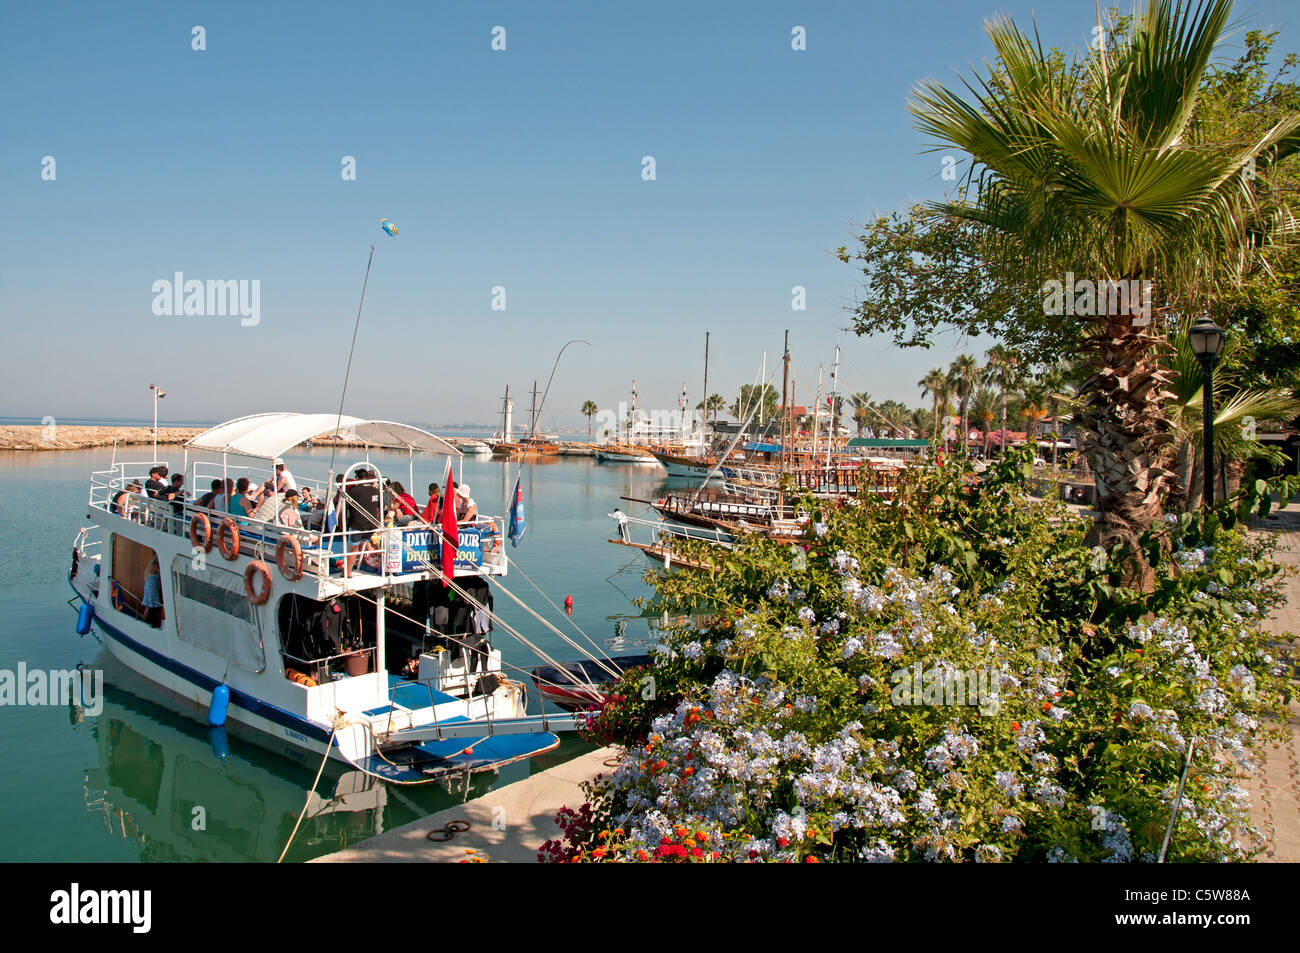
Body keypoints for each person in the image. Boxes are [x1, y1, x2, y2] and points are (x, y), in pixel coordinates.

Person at [142, 557, 164, 628]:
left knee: (149, 606)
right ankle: (147, 622)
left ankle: (145, 622)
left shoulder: (151, 566)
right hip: (152, 587)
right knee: (150, 606)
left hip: (150, 586)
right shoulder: (155, 566)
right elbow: (162, 573)